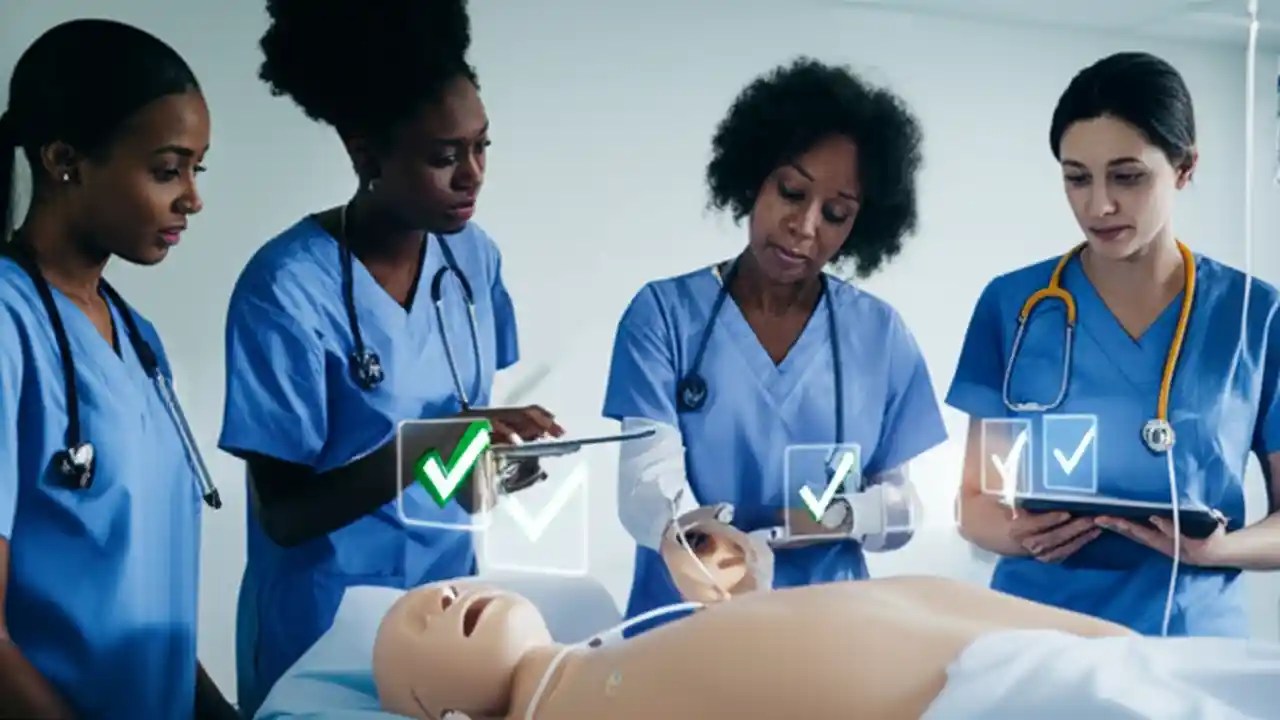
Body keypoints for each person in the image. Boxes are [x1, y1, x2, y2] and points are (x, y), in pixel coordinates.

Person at [217, 0, 563, 714]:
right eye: (444, 156)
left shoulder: (473, 259)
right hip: (324, 634)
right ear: (365, 152)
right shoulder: (284, 289)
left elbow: (450, 469)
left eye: (481, 147)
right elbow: (285, 515)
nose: (472, 175)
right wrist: (424, 445)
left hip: (450, 624)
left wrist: (492, 459)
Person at [601, 57, 948, 620]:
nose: (806, 226)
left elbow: (902, 510)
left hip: (829, 629)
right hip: (685, 623)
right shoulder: (663, 315)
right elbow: (645, 485)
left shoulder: (879, 334)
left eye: (836, 213)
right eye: (791, 192)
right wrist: (701, 543)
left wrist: (834, 518)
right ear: (753, 177)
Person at [949, 51, 1280, 637]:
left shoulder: (1256, 315)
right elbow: (976, 503)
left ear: (1184, 168)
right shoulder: (1014, 306)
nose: (1098, 205)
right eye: (1077, 177)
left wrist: (1217, 552)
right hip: (1037, 632)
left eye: (1127, 176)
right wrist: (1017, 535)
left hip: (1189, 639)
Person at [0, 19, 237, 719]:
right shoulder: (10, 327)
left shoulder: (138, 339)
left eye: (197, 169)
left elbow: (139, 593)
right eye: (167, 170)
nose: (192, 198)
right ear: (64, 159)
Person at [371, 574, 1280, 720]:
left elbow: (906, 594)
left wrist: (1119, 640)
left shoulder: (614, 645)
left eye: (441, 586)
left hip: (1063, 664)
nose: (445, 592)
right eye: (419, 619)